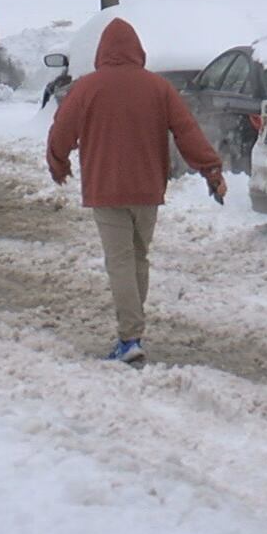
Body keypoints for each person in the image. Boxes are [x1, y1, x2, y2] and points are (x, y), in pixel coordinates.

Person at [47, 18, 226, 365]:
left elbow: (61, 131)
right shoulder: (158, 88)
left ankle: (130, 338)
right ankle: (133, 330)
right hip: (147, 187)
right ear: (137, 50)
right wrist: (211, 169)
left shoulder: (86, 88)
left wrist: (58, 163)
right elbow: (187, 131)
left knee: (120, 261)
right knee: (138, 257)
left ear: (102, 51)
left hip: (106, 188)